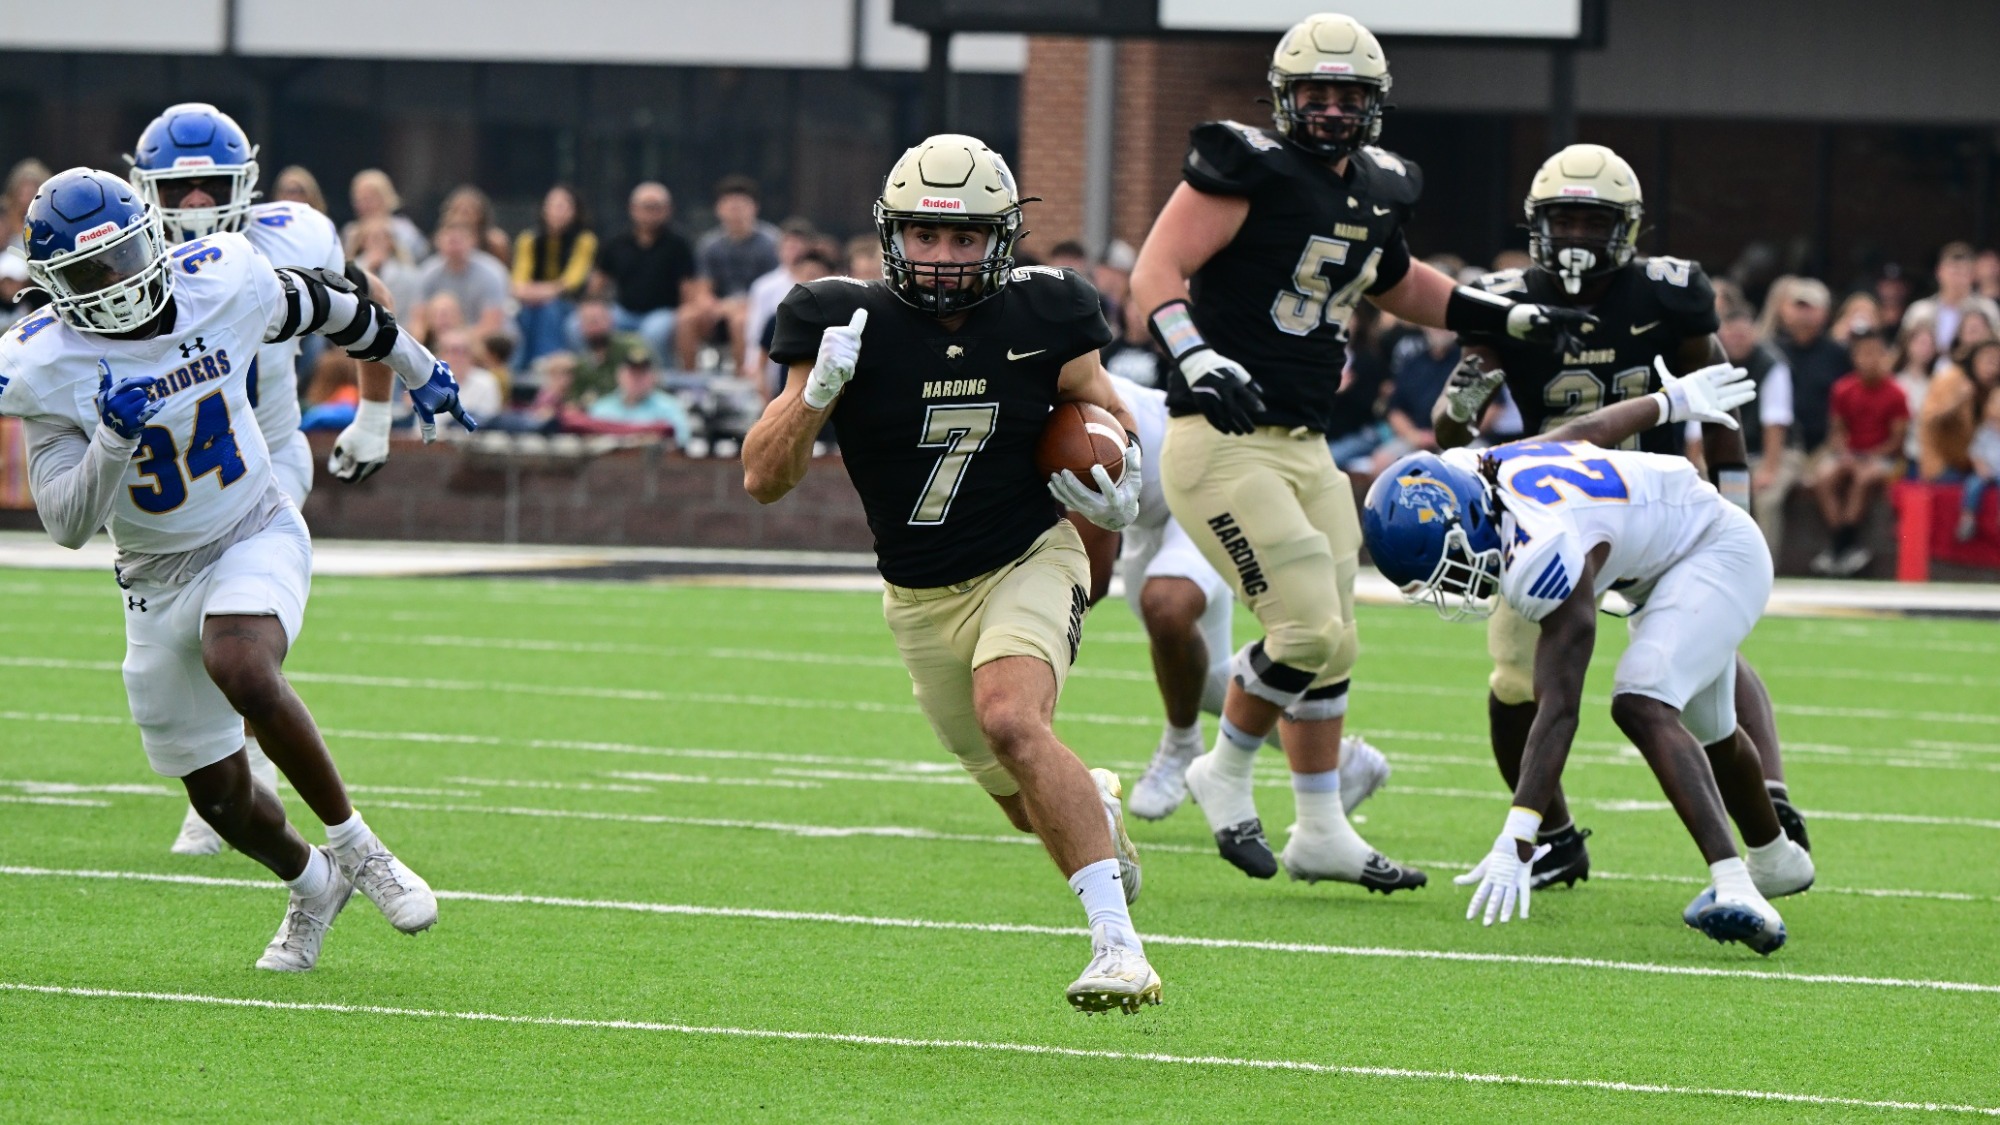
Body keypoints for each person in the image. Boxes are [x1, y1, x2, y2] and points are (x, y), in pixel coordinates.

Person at [1126, 12, 1590, 891]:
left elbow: (1399, 282)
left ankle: (1322, 829)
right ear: (1284, 98)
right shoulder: (1244, 168)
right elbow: (1156, 271)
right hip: (1223, 440)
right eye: (1317, 93)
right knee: (1302, 629)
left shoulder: (1376, 187)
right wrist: (1195, 353)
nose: (1333, 110)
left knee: (1336, 646)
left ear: (1373, 105)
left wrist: (1502, 315)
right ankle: (1219, 769)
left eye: (1349, 95)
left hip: (1308, 446)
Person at [4, 167, 477, 969]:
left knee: (240, 660)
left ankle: (359, 847)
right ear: (52, 285)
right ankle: (312, 881)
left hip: (254, 523)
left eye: (120, 257)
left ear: (150, 238)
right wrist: (113, 439)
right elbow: (67, 525)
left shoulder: (222, 278)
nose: (113, 284)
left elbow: (336, 305)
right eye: (88, 274)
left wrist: (416, 369)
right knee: (219, 797)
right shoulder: (42, 365)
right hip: (152, 576)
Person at [745, 134, 1159, 1013]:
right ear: (892, 235)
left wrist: (1119, 491)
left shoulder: (1048, 313)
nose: (942, 257)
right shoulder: (834, 318)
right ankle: (1096, 810)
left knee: (1011, 718)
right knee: (1021, 800)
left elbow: (1103, 413)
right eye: (925, 237)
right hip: (918, 593)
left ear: (1001, 238)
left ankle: (1119, 947)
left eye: (964, 237)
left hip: (1027, 555)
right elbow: (762, 479)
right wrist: (814, 395)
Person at [1433, 144, 1806, 888]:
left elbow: (1718, 401)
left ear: (1627, 227)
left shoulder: (1669, 293)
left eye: (1590, 220)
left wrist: (1737, 509)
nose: (1574, 235)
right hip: (1561, 519)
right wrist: (1470, 386)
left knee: (1708, 661)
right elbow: (1450, 421)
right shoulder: (1507, 298)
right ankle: (1556, 834)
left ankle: (1769, 796)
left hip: (1658, 510)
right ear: (1537, 224)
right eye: (1561, 219)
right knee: (1515, 678)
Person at [1365, 365, 1814, 952]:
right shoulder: (1490, 467)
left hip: (1715, 549)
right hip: (1667, 555)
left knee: (1641, 701)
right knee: (1712, 727)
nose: (1449, 587)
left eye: (1444, 569)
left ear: (1469, 520)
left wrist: (1520, 831)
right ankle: (1776, 858)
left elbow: (1560, 707)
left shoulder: (1539, 550)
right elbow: (1585, 430)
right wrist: (1670, 400)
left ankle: (1733, 884)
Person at [129, 104, 411, 851]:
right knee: (182, 634)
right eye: (176, 191)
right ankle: (229, 761)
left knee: (240, 631)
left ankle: (248, 757)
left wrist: (373, 417)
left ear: (244, 184)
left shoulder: (291, 236)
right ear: (143, 190)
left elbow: (366, 303)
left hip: (266, 453)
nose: (194, 206)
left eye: (211, 186)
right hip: (165, 478)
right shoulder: (119, 259)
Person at [1095, 371, 1392, 825]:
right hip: (1143, 518)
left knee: (1167, 606)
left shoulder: (1061, 388)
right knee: (1206, 677)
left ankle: (1181, 743)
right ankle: (1344, 765)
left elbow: (1090, 572)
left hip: (1195, 481)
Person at [1810, 330, 1908, 575]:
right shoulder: (1843, 389)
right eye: (1864, 353)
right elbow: (1837, 431)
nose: (1870, 359)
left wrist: (1870, 456)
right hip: (1851, 454)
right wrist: (1845, 453)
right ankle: (1846, 545)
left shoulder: (1896, 393)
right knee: (1823, 478)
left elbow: (1897, 440)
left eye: (1876, 353)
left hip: (1883, 458)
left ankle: (1840, 546)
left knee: (1863, 479)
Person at [679, 176, 780, 370]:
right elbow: (703, 286)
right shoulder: (709, 244)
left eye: (741, 206)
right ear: (718, 209)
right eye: (730, 206)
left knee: (740, 322)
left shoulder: (770, 243)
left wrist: (731, 306)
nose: (735, 211)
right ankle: (689, 378)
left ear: (754, 208)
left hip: (754, 308)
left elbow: (770, 290)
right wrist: (708, 304)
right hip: (719, 309)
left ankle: (742, 378)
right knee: (686, 318)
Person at [593, 181, 697, 369]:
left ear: (668, 210)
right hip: (623, 311)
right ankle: (600, 375)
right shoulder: (617, 242)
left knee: (653, 333)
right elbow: (598, 282)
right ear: (632, 209)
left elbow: (688, 288)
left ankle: (660, 381)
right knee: (577, 326)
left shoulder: (678, 244)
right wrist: (595, 309)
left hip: (663, 312)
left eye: (657, 207)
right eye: (646, 207)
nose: (651, 213)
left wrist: (685, 314)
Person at [511, 185, 596, 372]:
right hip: (531, 303)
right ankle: (518, 370)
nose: (558, 212)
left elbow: (572, 281)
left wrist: (540, 292)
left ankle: (547, 365)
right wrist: (535, 293)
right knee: (523, 315)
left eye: (564, 206)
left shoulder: (584, 240)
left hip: (569, 305)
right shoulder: (528, 239)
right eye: (553, 206)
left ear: (575, 211)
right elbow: (518, 282)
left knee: (548, 309)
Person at [416, 222, 512, 340]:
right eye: (450, 241)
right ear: (438, 241)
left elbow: (492, 325)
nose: (455, 247)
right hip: (440, 342)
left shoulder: (492, 273)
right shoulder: (427, 272)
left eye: (459, 241)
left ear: (473, 241)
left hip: (487, 343)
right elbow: (418, 320)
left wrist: (457, 342)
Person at [1904, 242, 2000, 355]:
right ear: (1939, 272)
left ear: (1973, 275)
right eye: (1953, 271)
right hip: (1930, 371)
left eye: (1963, 272)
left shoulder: (1987, 308)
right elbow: (1903, 351)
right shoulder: (1920, 310)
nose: (1957, 278)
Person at [585, 345, 691, 435]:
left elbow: (681, 441)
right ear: (619, 375)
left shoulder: (670, 407)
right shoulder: (601, 409)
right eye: (632, 373)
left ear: (654, 377)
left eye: (643, 373)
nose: (637, 378)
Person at [342, 168, 427, 263]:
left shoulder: (404, 230)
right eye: (359, 200)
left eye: (369, 199)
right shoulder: (350, 232)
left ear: (385, 198)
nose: (364, 206)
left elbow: (421, 258)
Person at [438, 184, 513, 265]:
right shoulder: (444, 240)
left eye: (467, 212)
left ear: (480, 214)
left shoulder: (494, 243)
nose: (462, 217)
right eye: (457, 210)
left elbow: (502, 273)